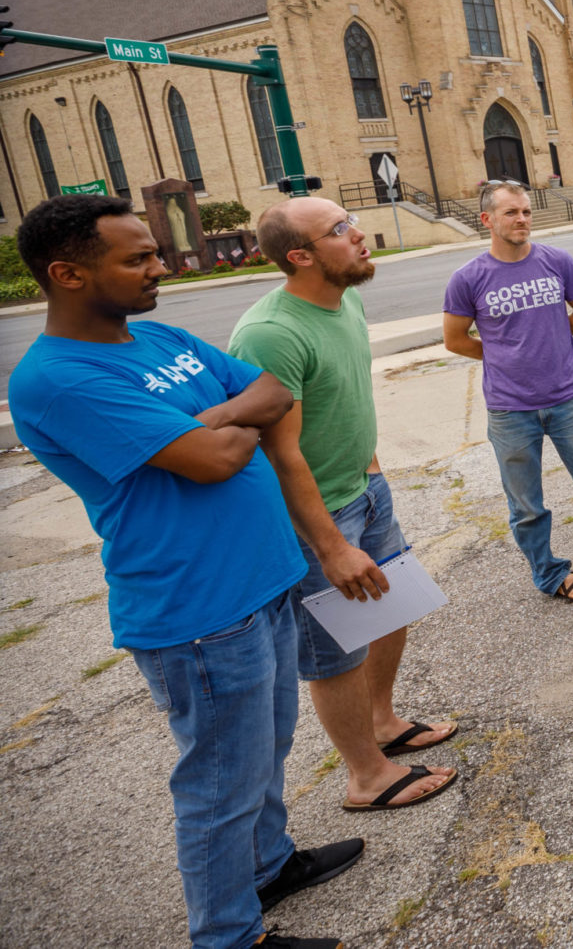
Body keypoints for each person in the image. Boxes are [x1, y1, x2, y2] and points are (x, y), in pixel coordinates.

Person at [9, 195, 358, 949]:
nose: (159, 267)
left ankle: (268, 865)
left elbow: (274, 391)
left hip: (263, 580)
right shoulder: (58, 379)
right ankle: (228, 936)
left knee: (265, 750)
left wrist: (203, 422)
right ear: (68, 274)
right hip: (199, 614)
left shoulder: (156, 336)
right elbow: (216, 460)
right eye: (137, 258)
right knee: (220, 783)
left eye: (155, 252)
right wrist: (222, 424)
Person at [230, 200, 458, 814]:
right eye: (339, 230)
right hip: (314, 520)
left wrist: (371, 468)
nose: (359, 234)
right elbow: (280, 454)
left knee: (393, 608)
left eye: (349, 219)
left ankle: (382, 721)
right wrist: (331, 547)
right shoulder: (271, 334)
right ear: (299, 256)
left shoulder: (346, 299)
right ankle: (366, 776)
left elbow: (343, 400)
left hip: (365, 488)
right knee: (335, 653)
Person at [442, 182, 573, 601]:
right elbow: (455, 339)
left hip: (568, 397)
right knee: (527, 506)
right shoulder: (468, 278)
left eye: (526, 211)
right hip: (510, 410)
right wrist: (501, 353)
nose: (522, 219)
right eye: (511, 212)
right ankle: (549, 574)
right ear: (487, 219)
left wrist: (557, 333)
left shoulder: (556, 261)